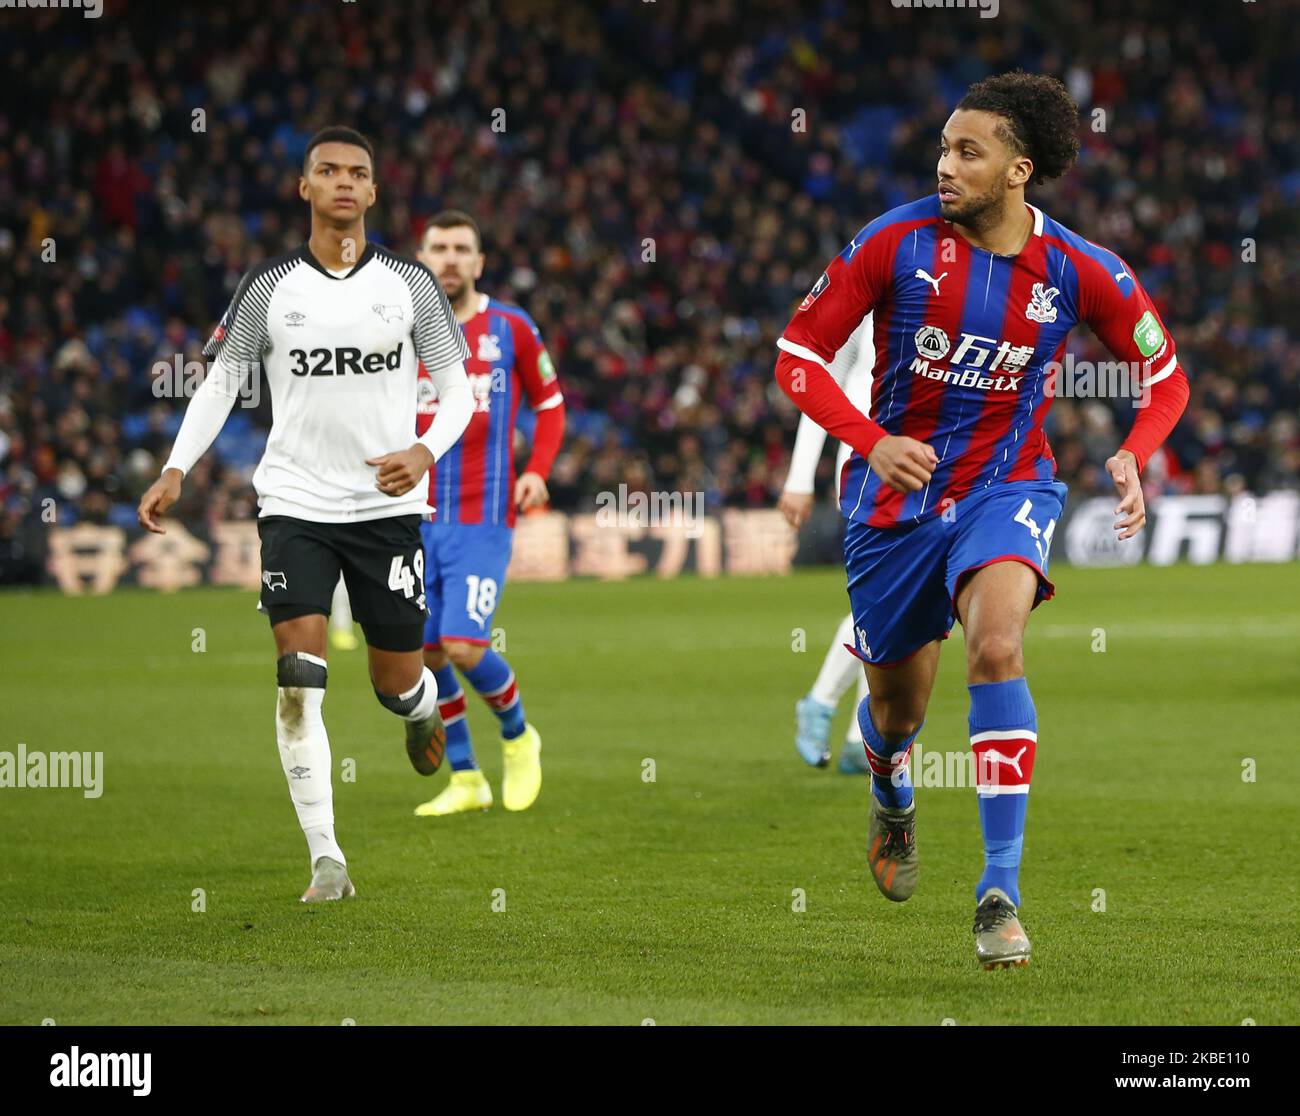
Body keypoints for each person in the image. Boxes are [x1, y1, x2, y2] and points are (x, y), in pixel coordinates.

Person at [773, 73, 1189, 968]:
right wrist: (870, 438)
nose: (945, 165)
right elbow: (798, 355)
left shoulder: (1083, 270)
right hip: (891, 505)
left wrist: (1134, 450)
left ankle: (998, 888)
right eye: (943, 147)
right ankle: (891, 790)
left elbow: (1166, 374)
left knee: (997, 647)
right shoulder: (893, 241)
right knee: (895, 713)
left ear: (1019, 170)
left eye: (969, 151)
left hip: (1008, 488)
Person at [137, 127, 474, 901]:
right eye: (329, 171)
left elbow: (458, 391)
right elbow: (222, 383)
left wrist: (424, 452)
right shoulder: (268, 287)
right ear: (305, 187)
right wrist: (176, 467)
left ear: (374, 191)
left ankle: (420, 710)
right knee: (299, 678)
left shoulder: (411, 284)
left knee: (396, 681)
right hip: (294, 504)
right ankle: (328, 857)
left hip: (388, 509)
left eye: (359, 172)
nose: (344, 183)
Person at [410, 211, 565, 817]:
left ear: (479, 262)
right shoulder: (400, 332)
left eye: (461, 249)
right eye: (438, 247)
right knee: (424, 654)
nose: (449, 258)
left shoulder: (512, 328)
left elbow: (551, 405)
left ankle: (519, 735)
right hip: (411, 518)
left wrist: (537, 470)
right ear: (421, 258)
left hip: (481, 517)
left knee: (463, 645)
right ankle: (467, 778)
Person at [778, 315, 874, 774]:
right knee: (884, 602)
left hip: (934, 464)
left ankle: (861, 736)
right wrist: (799, 478)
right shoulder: (870, 287)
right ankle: (822, 705)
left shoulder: (967, 284)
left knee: (909, 609)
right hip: (868, 463)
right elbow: (820, 380)